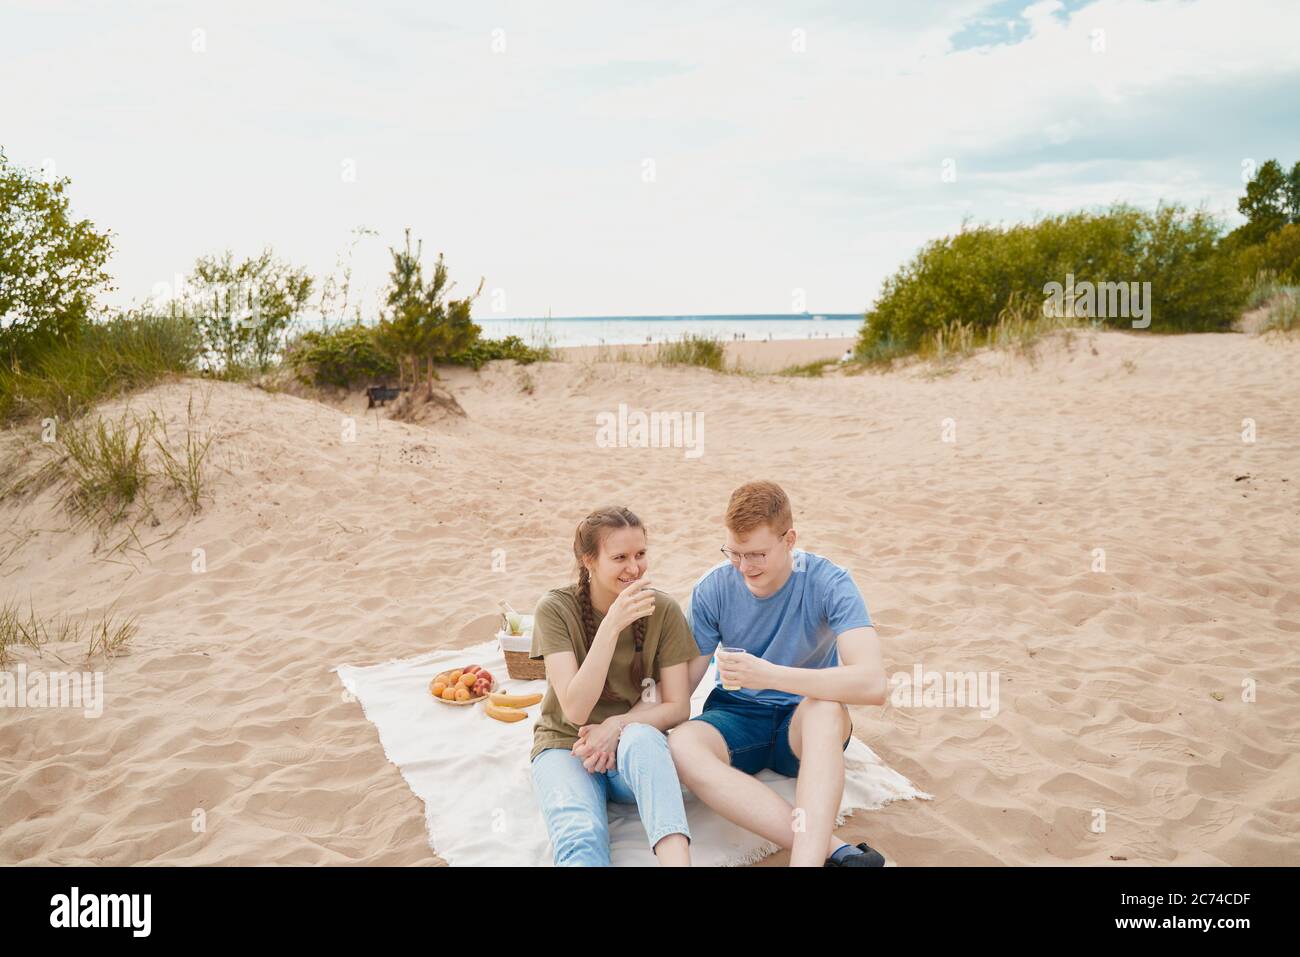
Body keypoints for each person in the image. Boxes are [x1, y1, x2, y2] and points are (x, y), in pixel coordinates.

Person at [668, 480, 889, 867]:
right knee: (682, 744)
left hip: (802, 722)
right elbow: (680, 688)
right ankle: (835, 848)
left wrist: (769, 675)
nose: (743, 567)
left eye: (756, 554)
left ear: (789, 539)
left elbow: (872, 683)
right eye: (734, 553)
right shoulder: (713, 587)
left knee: (824, 709)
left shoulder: (829, 582)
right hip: (736, 715)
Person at [529, 506, 696, 866]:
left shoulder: (663, 610)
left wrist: (616, 726)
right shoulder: (555, 610)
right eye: (619, 557)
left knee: (643, 738)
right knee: (580, 832)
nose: (634, 568)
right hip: (565, 744)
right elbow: (575, 709)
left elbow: (678, 706)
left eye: (640, 554)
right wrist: (612, 625)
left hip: (630, 749)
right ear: (588, 560)